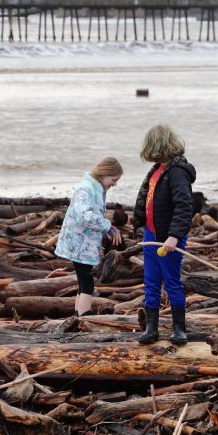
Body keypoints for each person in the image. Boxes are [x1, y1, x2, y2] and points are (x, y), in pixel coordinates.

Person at [132, 124, 196, 346]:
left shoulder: (177, 172)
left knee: (171, 281)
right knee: (150, 280)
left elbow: (184, 207)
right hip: (152, 234)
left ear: (160, 147)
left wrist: (173, 237)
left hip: (168, 237)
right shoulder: (158, 169)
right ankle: (152, 329)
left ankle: (180, 329)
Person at [55, 157, 123, 316]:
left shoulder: (96, 188)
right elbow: (84, 216)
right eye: (114, 179)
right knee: (87, 282)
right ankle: (85, 316)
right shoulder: (86, 189)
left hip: (83, 242)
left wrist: (104, 232)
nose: (115, 184)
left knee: (83, 280)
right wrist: (108, 227)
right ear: (104, 174)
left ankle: (79, 315)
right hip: (79, 243)